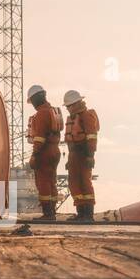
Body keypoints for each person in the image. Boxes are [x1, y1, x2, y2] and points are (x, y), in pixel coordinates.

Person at [25, 84, 63, 220]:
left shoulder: (41, 114)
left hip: (44, 152)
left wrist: (34, 156)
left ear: (35, 99)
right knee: (51, 181)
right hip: (55, 150)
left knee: (43, 182)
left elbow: (39, 138)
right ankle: (51, 211)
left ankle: (48, 214)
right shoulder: (52, 111)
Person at [62, 89, 99, 222]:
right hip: (74, 154)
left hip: (84, 153)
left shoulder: (86, 116)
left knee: (85, 182)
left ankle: (88, 214)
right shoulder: (75, 117)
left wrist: (90, 156)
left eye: (68, 106)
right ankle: (81, 213)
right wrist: (69, 159)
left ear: (75, 104)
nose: (67, 109)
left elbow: (91, 138)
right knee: (74, 183)